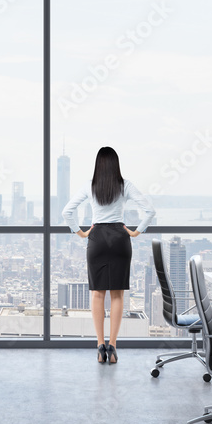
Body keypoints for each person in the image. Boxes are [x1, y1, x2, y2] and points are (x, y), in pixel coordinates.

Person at [62, 147, 156, 364]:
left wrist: (81, 233)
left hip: (97, 239)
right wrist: (135, 231)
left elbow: (67, 211)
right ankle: (112, 347)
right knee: (117, 295)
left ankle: (99, 346)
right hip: (119, 238)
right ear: (116, 164)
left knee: (97, 294)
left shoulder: (90, 185)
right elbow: (150, 211)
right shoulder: (125, 185)